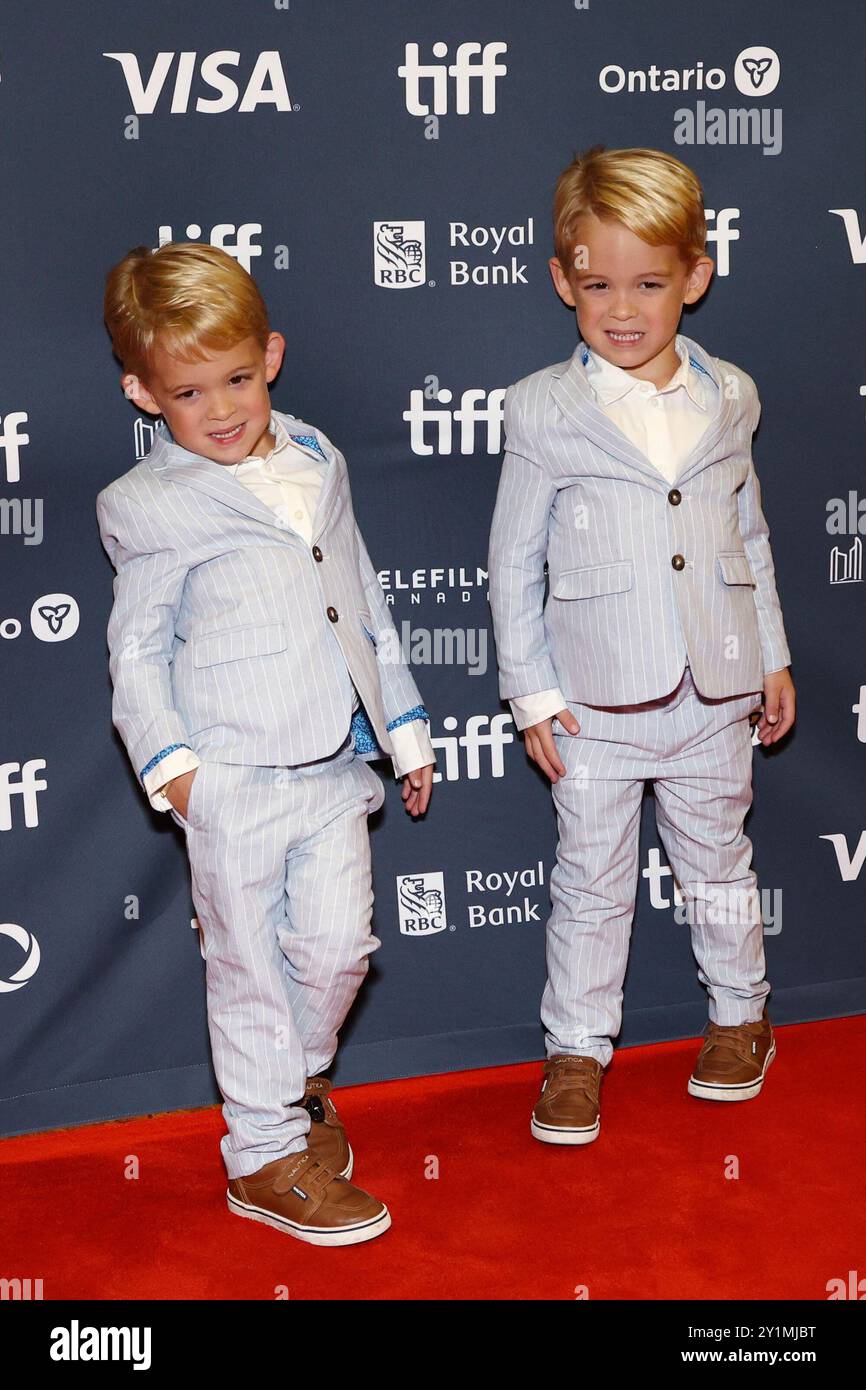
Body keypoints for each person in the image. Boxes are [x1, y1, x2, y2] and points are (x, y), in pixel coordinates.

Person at [97, 241, 435, 1241]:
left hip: (335, 762)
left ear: (272, 356)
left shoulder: (318, 457)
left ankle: (289, 1093)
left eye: (237, 378)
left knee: (337, 949)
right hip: (231, 774)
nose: (223, 408)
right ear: (144, 394)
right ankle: (262, 1155)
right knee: (245, 968)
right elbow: (135, 650)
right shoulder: (144, 505)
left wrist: (405, 727)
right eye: (190, 391)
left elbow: (361, 596)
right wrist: (178, 771)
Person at [487, 146, 795, 1146]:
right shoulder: (542, 407)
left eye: (649, 283)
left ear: (695, 279)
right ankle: (575, 1051)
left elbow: (744, 534)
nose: (621, 307)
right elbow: (510, 564)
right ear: (560, 281)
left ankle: (739, 1016)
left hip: (714, 692)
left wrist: (770, 655)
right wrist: (531, 697)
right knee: (588, 881)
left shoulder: (730, 397)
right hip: (592, 705)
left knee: (717, 864)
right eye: (596, 283)